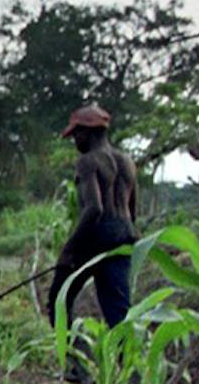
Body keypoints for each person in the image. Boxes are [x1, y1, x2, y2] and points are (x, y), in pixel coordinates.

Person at [46, 103, 140, 330]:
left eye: (76, 134)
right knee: (119, 311)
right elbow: (133, 209)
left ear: (87, 133)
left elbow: (94, 209)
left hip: (97, 236)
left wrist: (68, 250)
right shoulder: (127, 161)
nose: (75, 141)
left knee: (59, 298)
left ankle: (73, 360)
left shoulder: (87, 162)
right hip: (125, 235)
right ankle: (129, 363)